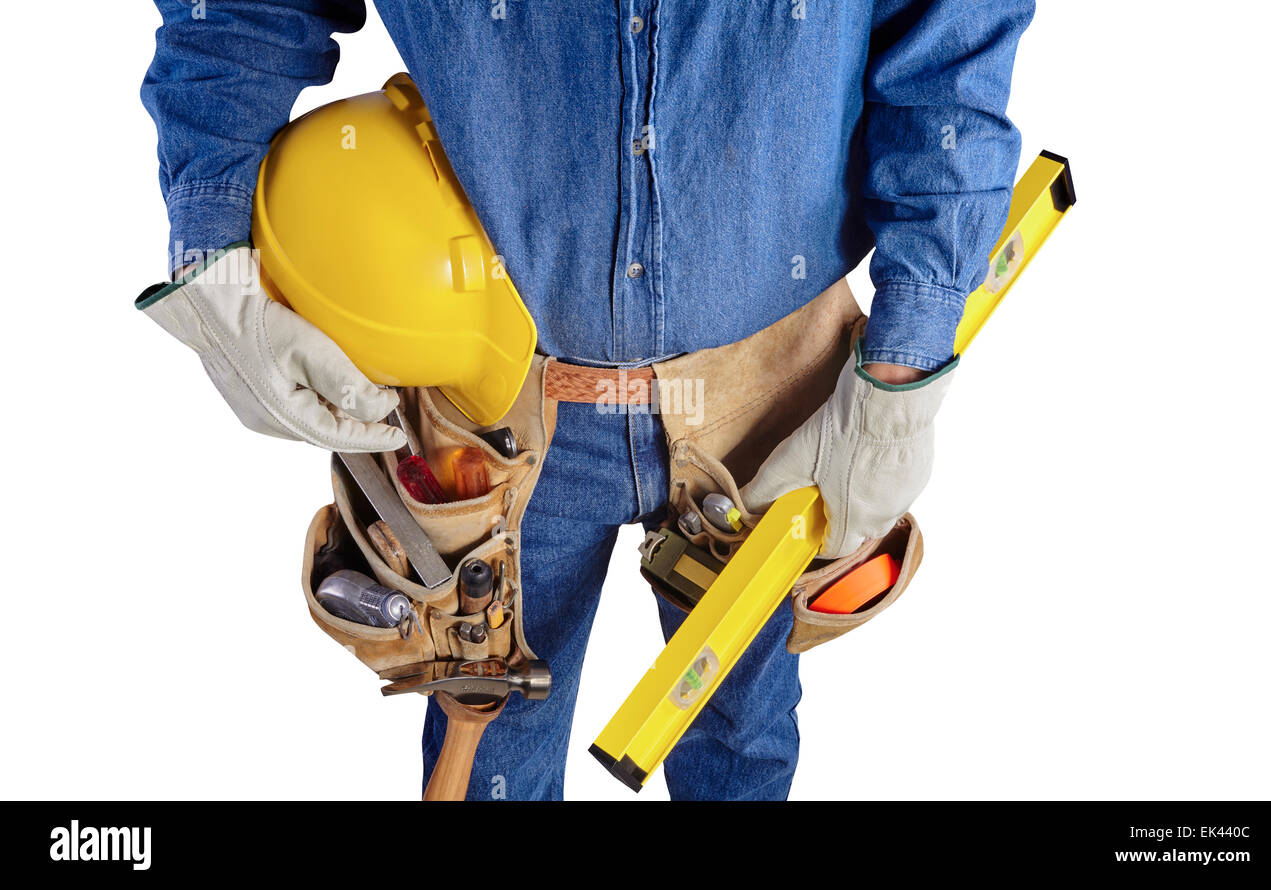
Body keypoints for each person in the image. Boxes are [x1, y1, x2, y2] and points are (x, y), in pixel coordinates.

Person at [141, 0, 1034, 800]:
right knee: (491, 746)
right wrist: (212, 248)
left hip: (775, 392)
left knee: (742, 738)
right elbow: (240, 12)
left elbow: (948, 40)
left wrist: (908, 356)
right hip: (488, 403)